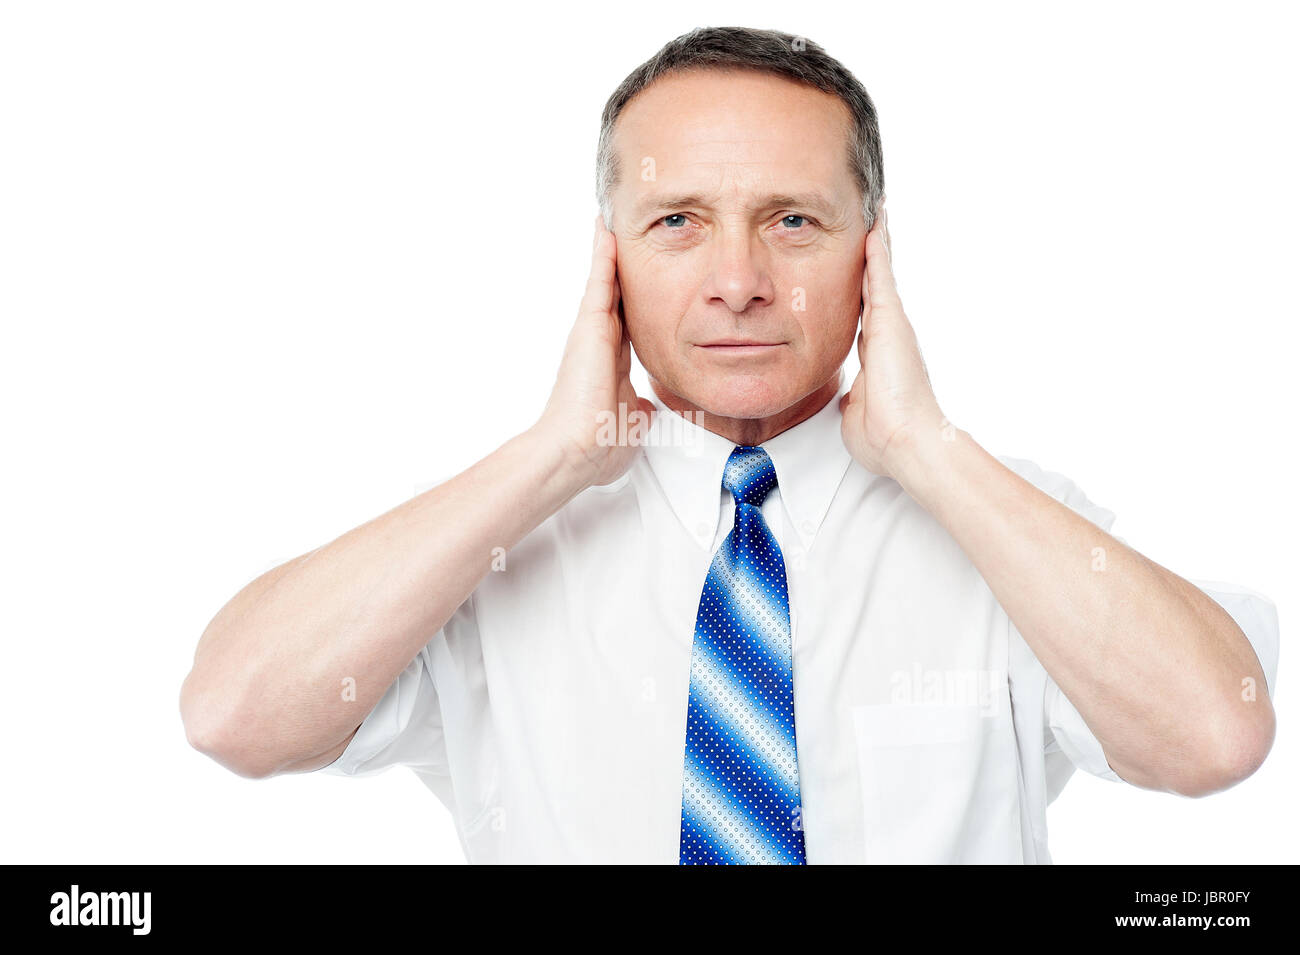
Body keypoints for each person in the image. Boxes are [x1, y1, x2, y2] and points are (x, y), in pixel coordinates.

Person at [180, 26, 1278, 864]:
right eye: (678, 220)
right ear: (607, 257)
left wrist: (928, 450)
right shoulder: (485, 541)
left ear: (874, 251)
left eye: (793, 220)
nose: (740, 280)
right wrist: (554, 455)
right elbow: (234, 715)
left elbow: (1214, 740)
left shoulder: (1011, 525)